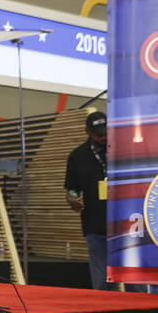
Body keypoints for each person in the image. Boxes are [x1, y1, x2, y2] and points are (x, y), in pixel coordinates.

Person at [64, 111, 110, 290]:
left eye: (106, 133)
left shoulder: (125, 150)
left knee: (134, 282)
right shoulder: (77, 156)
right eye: (99, 135)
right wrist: (73, 200)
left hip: (127, 225)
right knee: (101, 282)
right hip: (94, 224)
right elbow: (71, 189)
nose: (104, 137)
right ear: (87, 132)